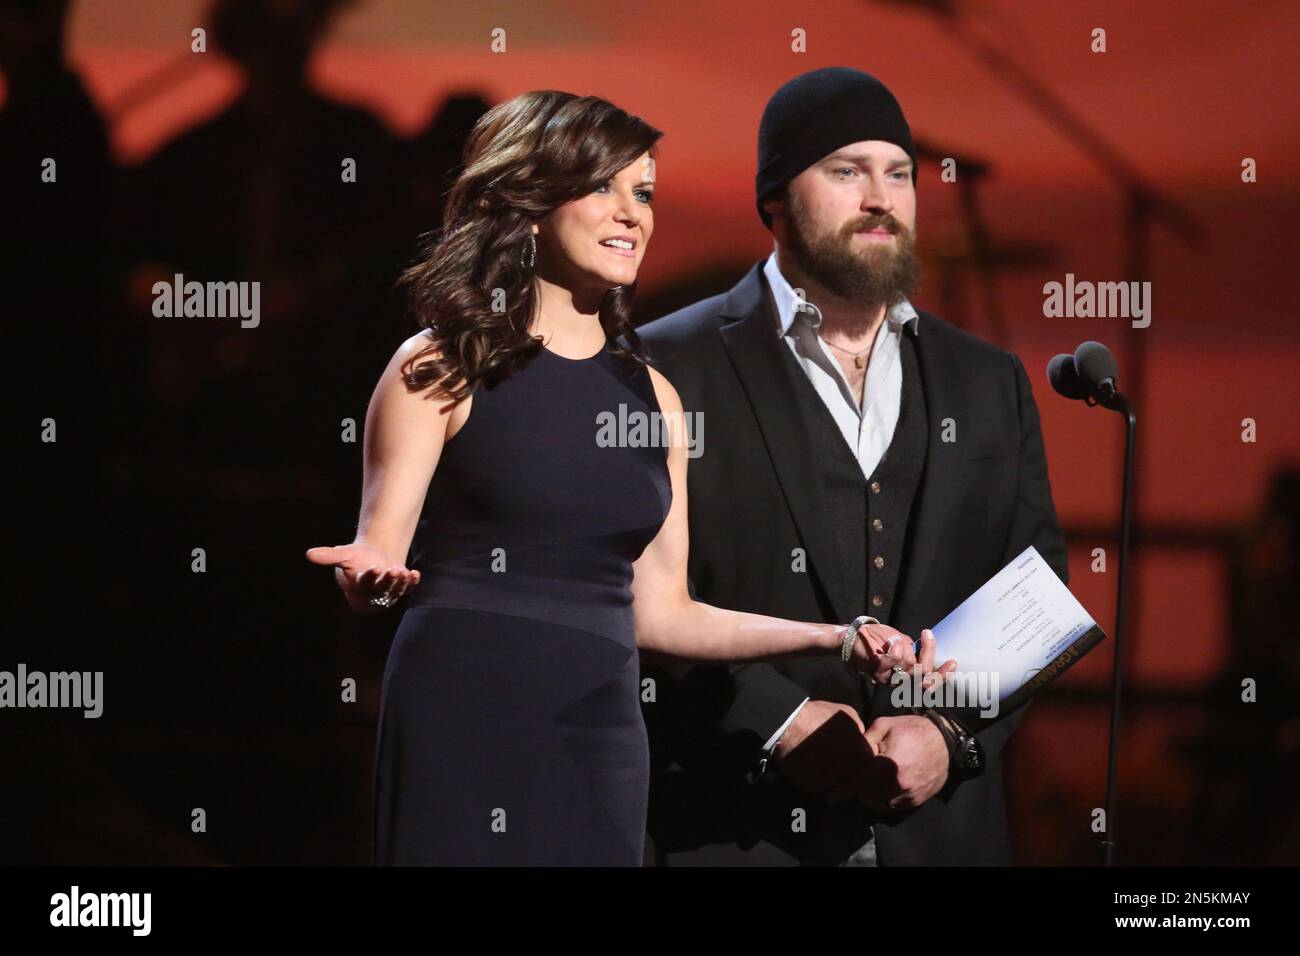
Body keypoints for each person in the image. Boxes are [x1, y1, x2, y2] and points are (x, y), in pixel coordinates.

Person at [305, 90, 953, 866]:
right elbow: (377, 549)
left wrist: (835, 636)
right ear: (532, 201)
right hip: (464, 709)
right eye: (601, 187)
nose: (631, 214)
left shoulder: (655, 397)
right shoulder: (439, 365)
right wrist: (369, 577)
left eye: (642, 192)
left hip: (601, 729)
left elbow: (665, 614)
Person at [637, 67, 1069, 866]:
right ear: (773, 201)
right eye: (846, 171)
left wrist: (947, 733)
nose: (882, 197)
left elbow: (1032, 584)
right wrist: (777, 718)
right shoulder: (667, 362)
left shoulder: (986, 379)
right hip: (734, 828)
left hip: (939, 838)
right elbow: (626, 587)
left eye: (899, 173)